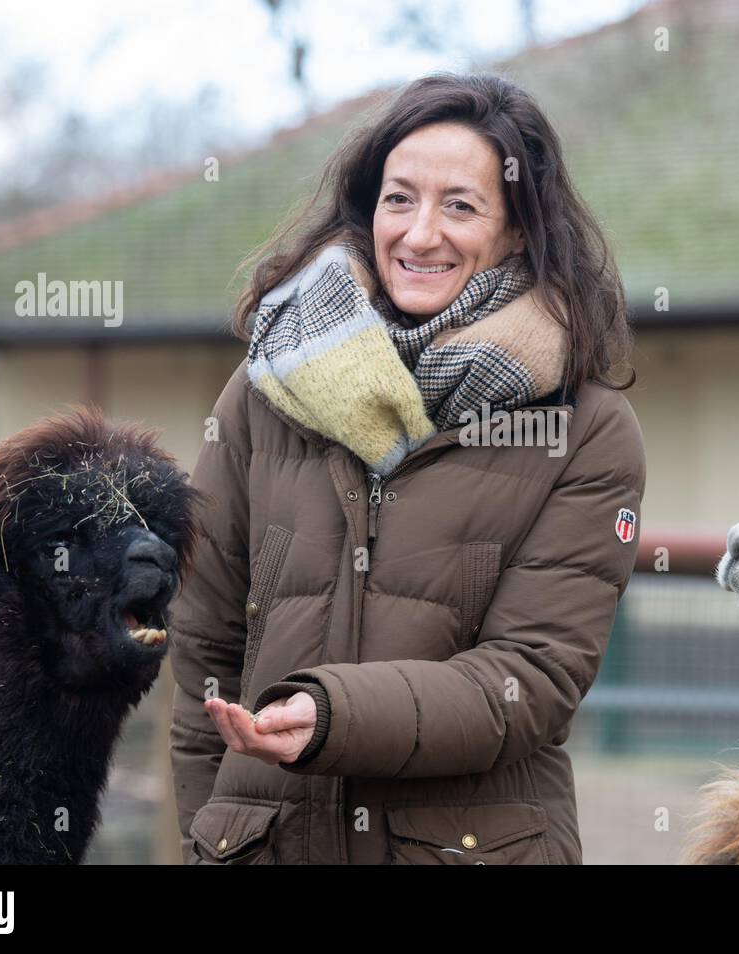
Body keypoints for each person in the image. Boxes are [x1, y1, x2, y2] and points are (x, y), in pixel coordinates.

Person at [169, 71, 645, 864]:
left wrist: (332, 717)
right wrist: (208, 836)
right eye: (399, 199)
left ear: (519, 231)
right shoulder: (265, 389)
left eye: (460, 205)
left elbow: (529, 681)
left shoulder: (587, 430)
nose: (420, 235)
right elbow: (203, 650)